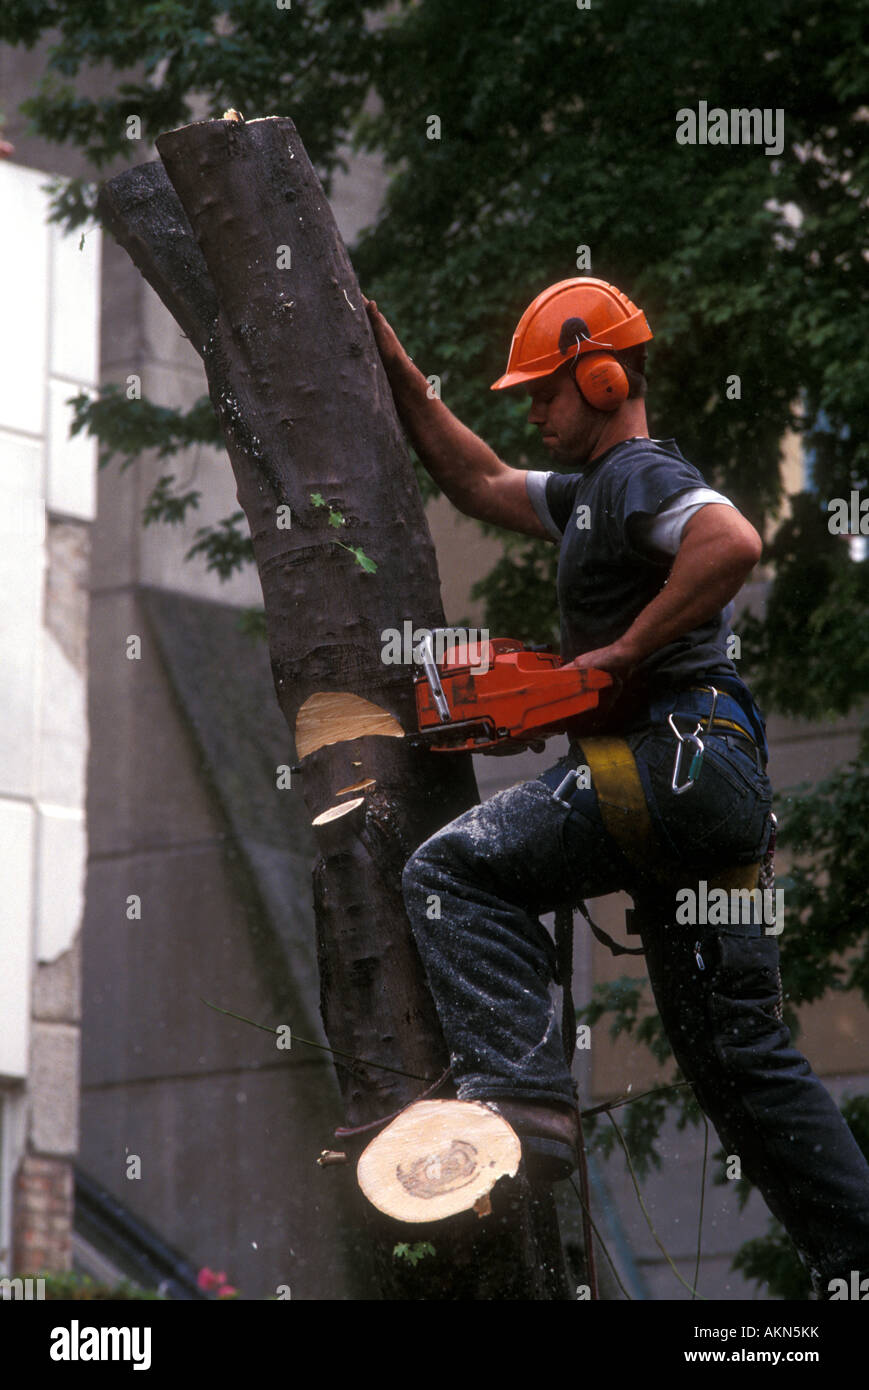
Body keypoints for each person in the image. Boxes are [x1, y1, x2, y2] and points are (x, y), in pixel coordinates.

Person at [364, 277, 869, 1297]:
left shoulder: (637, 473)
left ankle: (521, 1099)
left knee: (448, 872)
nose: (532, 409)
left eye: (545, 390)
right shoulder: (587, 494)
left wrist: (619, 654)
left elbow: (731, 540)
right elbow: (480, 483)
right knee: (736, 1063)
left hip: (671, 758)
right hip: (712, 790)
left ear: (601, 375)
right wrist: (395, 372)